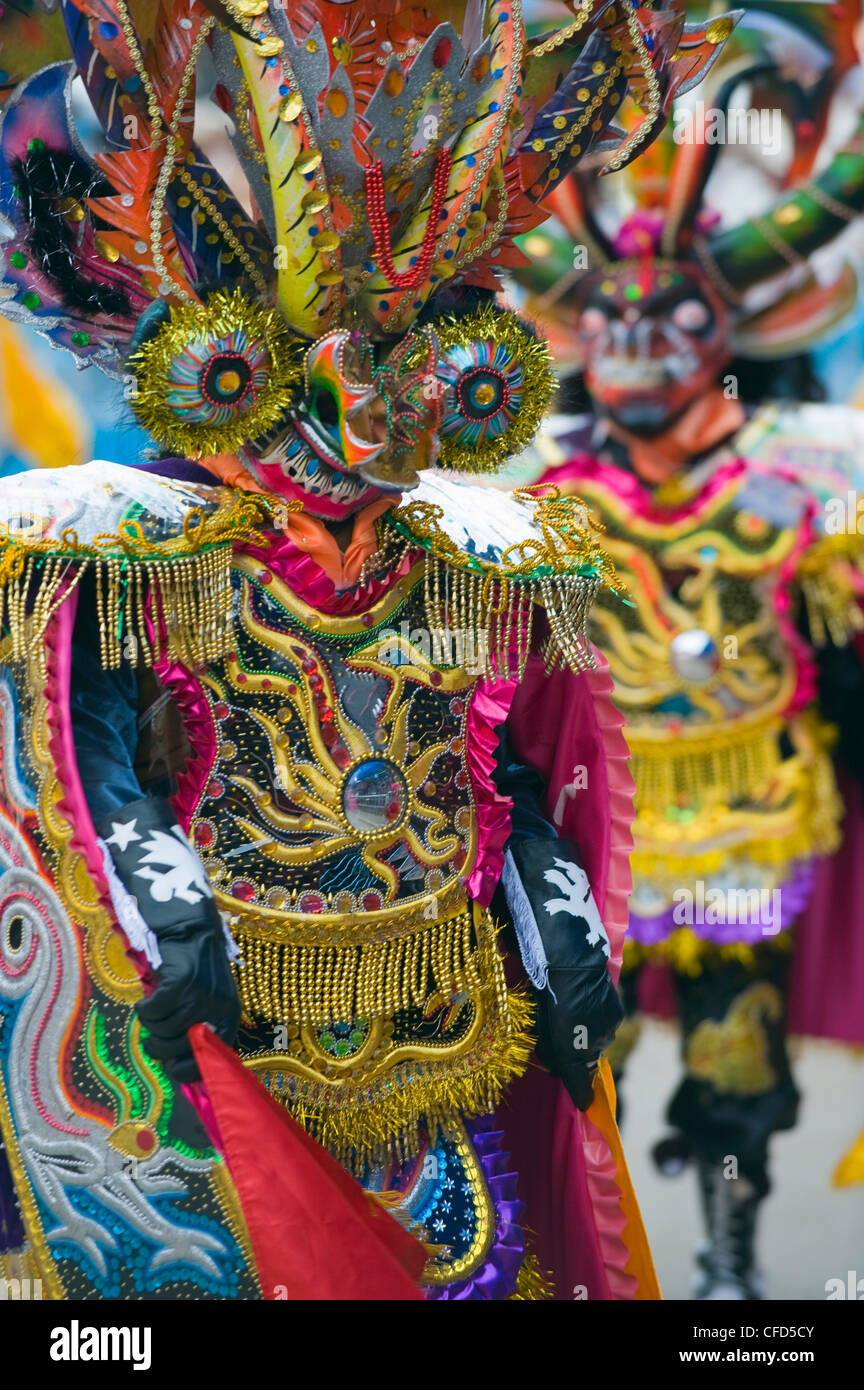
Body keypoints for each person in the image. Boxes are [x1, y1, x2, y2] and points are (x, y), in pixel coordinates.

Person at [0, 0, 733, 1300]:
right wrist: (152, 888)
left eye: (407, 370)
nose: (366, 421)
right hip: (213, 1067)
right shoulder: (135, 545)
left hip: (437, 1045)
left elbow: (499, 761)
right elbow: (81, 755)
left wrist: (553, 910)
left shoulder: (479, 552)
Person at [512, 22, 864, 1297]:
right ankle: (570, 1253)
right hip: (581, 832)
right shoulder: (540, 502)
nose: (643, 347)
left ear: (728, 328)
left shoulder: (794, 489)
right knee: (557, 1055)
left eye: (674, 319)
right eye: (614, 320)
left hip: (737, 823)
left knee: (730, 1068)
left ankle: (723, 1250)